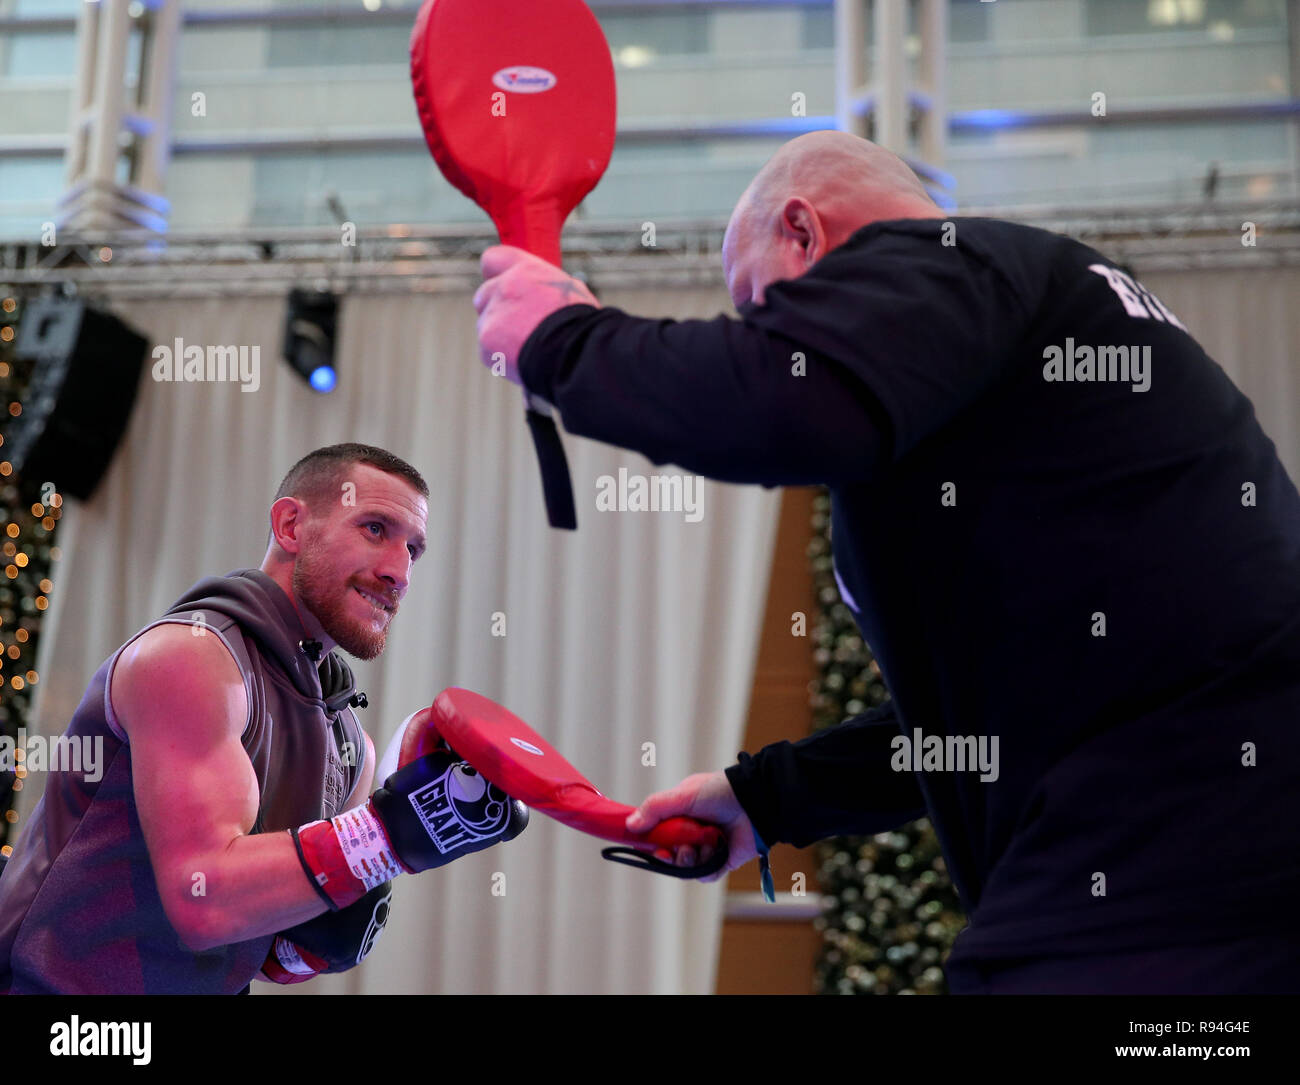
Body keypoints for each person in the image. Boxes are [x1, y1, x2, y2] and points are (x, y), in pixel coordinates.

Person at [473, 131, 1300, 994]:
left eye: (761, 306)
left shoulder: (955, 261)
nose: (766, 332)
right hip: (1201, 864)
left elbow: (781, 395)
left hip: (1171, 874)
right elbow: (967, 726)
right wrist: (766, 798)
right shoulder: (1027, 344)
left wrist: (561, 339)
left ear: (804, 232)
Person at [0, 443, 527, 994]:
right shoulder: (192, 659)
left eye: (414, 550)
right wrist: (390, 836)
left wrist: (316, 939)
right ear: (292, 525)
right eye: (375, 529)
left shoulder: (350, 743)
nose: (399, 571)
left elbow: (265, 953)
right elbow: (201, 901)